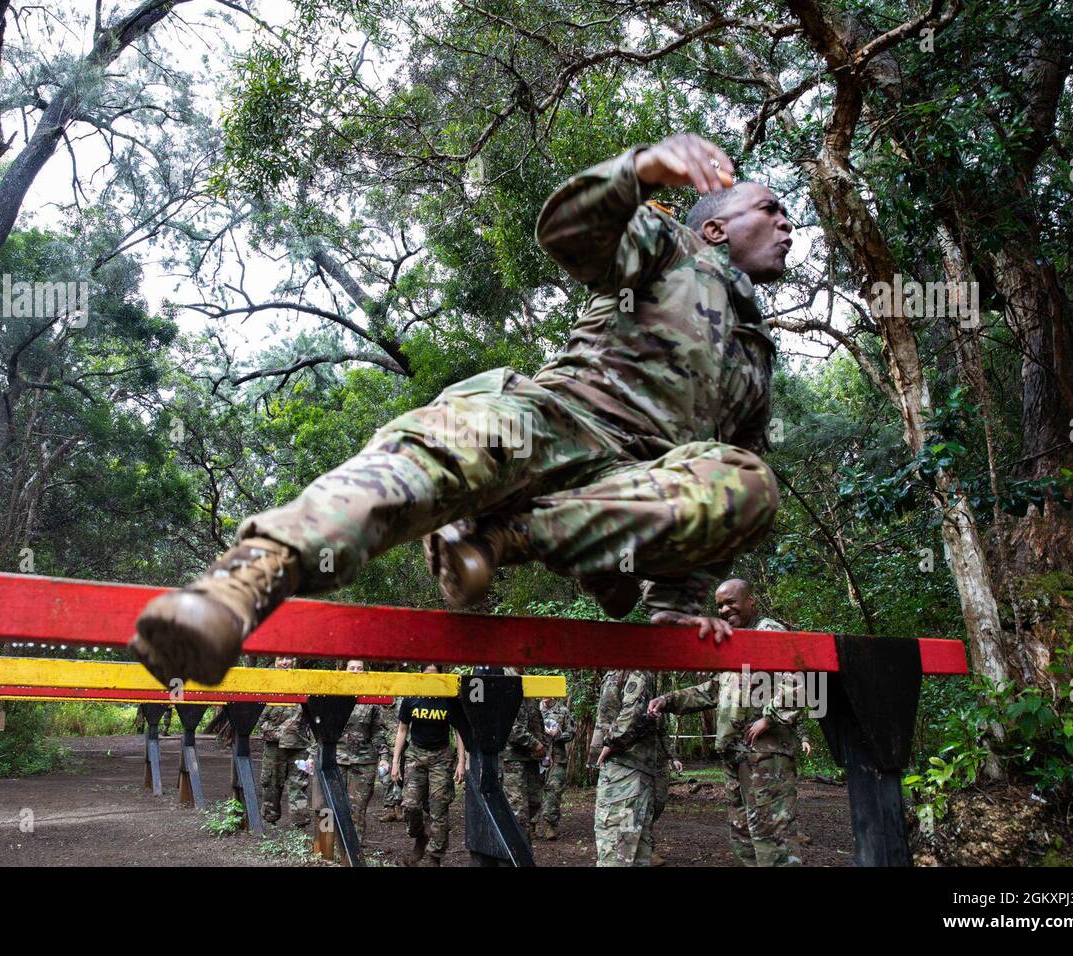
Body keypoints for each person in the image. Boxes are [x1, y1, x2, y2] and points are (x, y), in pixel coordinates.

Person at [129, 132, 787, 688]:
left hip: (622, 493)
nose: (787, 224)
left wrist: (676, 604)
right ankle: (239, 587)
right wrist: (639, 169)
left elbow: (720, 486)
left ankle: (497, 539)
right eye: (771, 208)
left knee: (753, 483)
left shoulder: (758, 355)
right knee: (450, 446)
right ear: (716, 225)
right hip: (560, 418)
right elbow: (568, 232)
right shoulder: (672, 246)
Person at [648, 578, 806, 866]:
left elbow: (798, 680)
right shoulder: (735, 642)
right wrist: (668, 700)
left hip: (765, 756)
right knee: (743, 834)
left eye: (731, 602)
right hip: (736, 755)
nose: (724, 609)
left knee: (773, 836)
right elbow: (713, 690)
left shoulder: (768, 631)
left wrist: (769, 719)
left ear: (750, 601)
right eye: (719, 605)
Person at [392, 666, 466, 866]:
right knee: (409, 805)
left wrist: (461, 761)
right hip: (416, 754)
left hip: (441, 757)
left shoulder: (449, 699)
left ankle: (434, 857)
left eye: (434, 676)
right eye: (426, 676)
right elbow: (402, 729)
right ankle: (419, 836)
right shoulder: (412, 697)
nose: (430, 680)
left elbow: (459, 731)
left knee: (439, 808)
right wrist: (395, 762)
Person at [591, 668, 664, 866]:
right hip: (627, 770)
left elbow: (633, 711)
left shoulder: (635, 668)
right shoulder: (622, 668)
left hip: (625, 771)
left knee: (616, 851)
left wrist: (612, 742)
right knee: (635, 851)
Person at [320, 659, 391, 841]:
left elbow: (377, 731)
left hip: (364, 761)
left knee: (357, 807)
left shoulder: (370, 698)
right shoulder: (332, 695)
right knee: (330, 803)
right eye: (352, 668)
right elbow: (321, 727)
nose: (356, 671)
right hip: (335, 758)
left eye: (360, 668)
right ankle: (328, 846)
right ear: (344, 670)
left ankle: (354, 848)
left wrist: (383, 756)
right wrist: (315, 753)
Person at [258, 657, 312, 828]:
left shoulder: (303, 683)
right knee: (271, 782)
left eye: (288, 658)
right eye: (280, 659)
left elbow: (312, 715)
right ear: (275, 662)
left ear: (295, 661)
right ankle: (269, 820)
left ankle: (300, 823)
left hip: (300, 746)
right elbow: (259, 720)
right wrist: (279, 734)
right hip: (274, 747)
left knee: (299, 784)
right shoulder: (266, 685)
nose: (284, 662)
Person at [500, 666, 547, 835]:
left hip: (532, 756)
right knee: (517, 810)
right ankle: (517, 854)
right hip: (512, 756)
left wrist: (543, 745)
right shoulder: (504, 676)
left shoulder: (528, 678)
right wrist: (534, 743)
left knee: (534, 803)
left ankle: (522, 844)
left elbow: (536, 717)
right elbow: (509, 724)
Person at [535, 696, 575, 840]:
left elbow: (571, 733)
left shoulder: (563, 711)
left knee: (553, 791)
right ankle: (531, 826)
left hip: (557, 758)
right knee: (533, 790)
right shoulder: (534, 709)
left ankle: (550, 826)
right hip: (536, 757)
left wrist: (558, 735)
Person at [377, 695, 405, 822]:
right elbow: (377, 730)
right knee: (385, 778)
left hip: (403, 747)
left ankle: (399, 806)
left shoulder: (401, 703)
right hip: (385, 748)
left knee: (401, 777)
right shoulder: (377, 707)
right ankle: (390, 809)